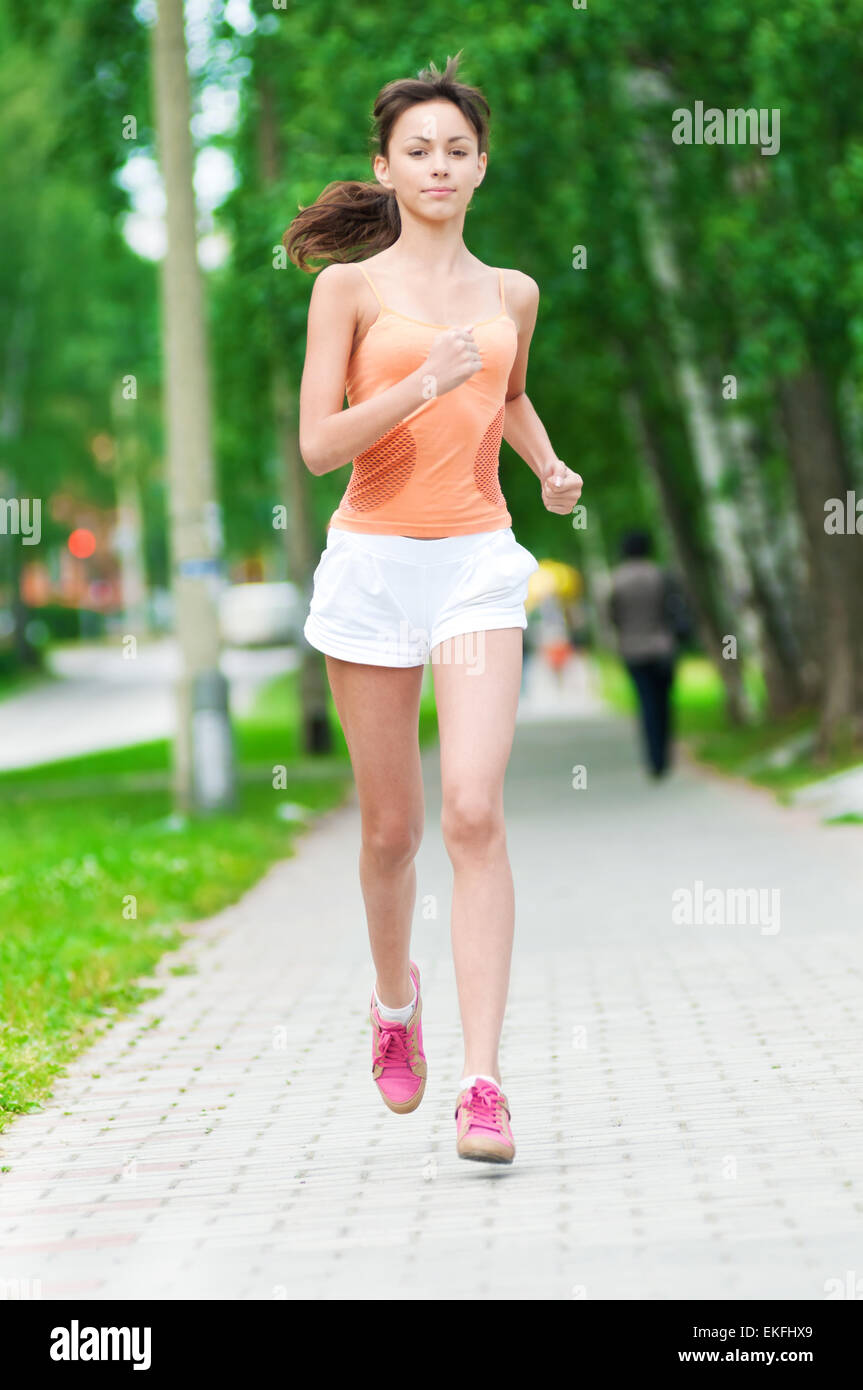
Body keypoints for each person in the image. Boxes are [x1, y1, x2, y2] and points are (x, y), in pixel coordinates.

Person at [284, 53, 583, 1165]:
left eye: (456, 148)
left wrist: (546, 467)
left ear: (480, 164)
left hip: (474, 564)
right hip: (369, 566)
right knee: (391, 829)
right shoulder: (347, 292)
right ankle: (392, 1003)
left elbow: (503, 393)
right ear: (385, 166)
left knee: (470, 810)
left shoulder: (512, 294)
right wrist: (413, 383)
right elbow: (320, 448)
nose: (438, 164)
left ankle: (484, 1082)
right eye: (418, 149)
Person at [607, 529, 692, 779]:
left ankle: (654, 760)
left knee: (646, 704)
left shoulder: (617, 580)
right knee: (664, 702)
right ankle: (666, 755)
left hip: (633, 651)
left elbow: (613, 617)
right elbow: (673, 610)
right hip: (662, 648)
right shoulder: (660, 575)